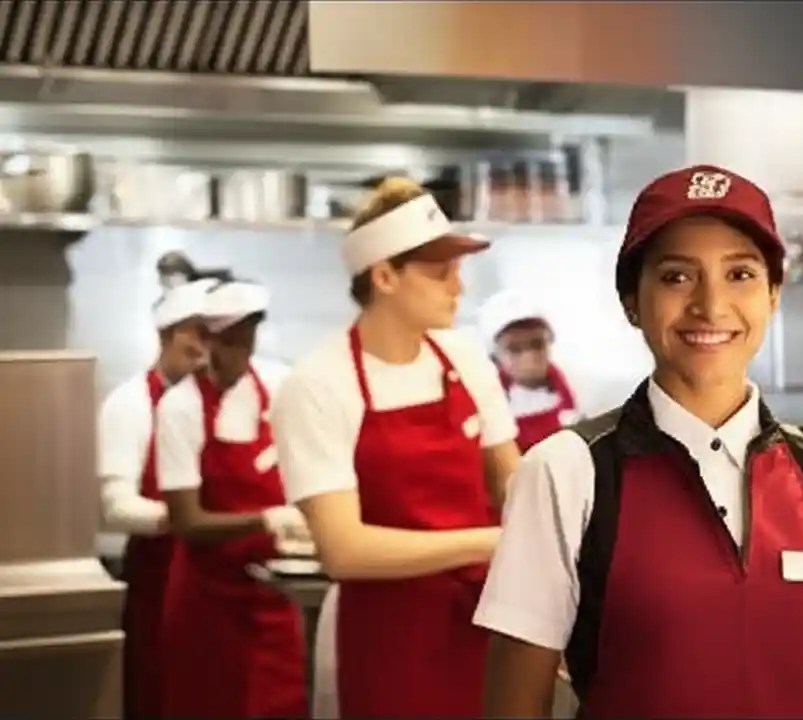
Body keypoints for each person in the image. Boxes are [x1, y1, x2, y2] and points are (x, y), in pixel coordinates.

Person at [475, 164, 803, 718]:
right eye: (677, 277)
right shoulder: (567, 471)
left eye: (740, 274)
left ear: (773, 294)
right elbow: (514, 707)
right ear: (632, 301)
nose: (711, 305)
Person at [271, 178, 521, 718]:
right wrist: (491, 542)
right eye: (440, 271)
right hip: (388, 639)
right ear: (384, 276)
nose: (459, 286)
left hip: (482, 623)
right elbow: (344, 550)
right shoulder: (318, 384)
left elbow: (513, 483)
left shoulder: (464, 359)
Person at [155, 278, 309, 718]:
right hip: (207, 603)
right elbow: (187, 521)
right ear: (206, 340)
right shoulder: (180, 408)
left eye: (246, 340)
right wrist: (266, 520)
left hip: (273, 595)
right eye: (228, 342)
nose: (239, 354)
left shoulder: (276, 386)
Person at [98, 276, 214, 720]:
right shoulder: (130, 403)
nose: (203, 346)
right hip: (159, 583)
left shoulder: (221, 404)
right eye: (193, 332)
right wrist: (191, 518)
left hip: (214, 587)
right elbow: (117, 507)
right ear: (166, 333)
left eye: (211, 334)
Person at [478, 289, 582, 451]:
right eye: (515, 349)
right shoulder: (489, 405)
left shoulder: (580, 387)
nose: (529, 357)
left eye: (537, 344)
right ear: (496, 358)